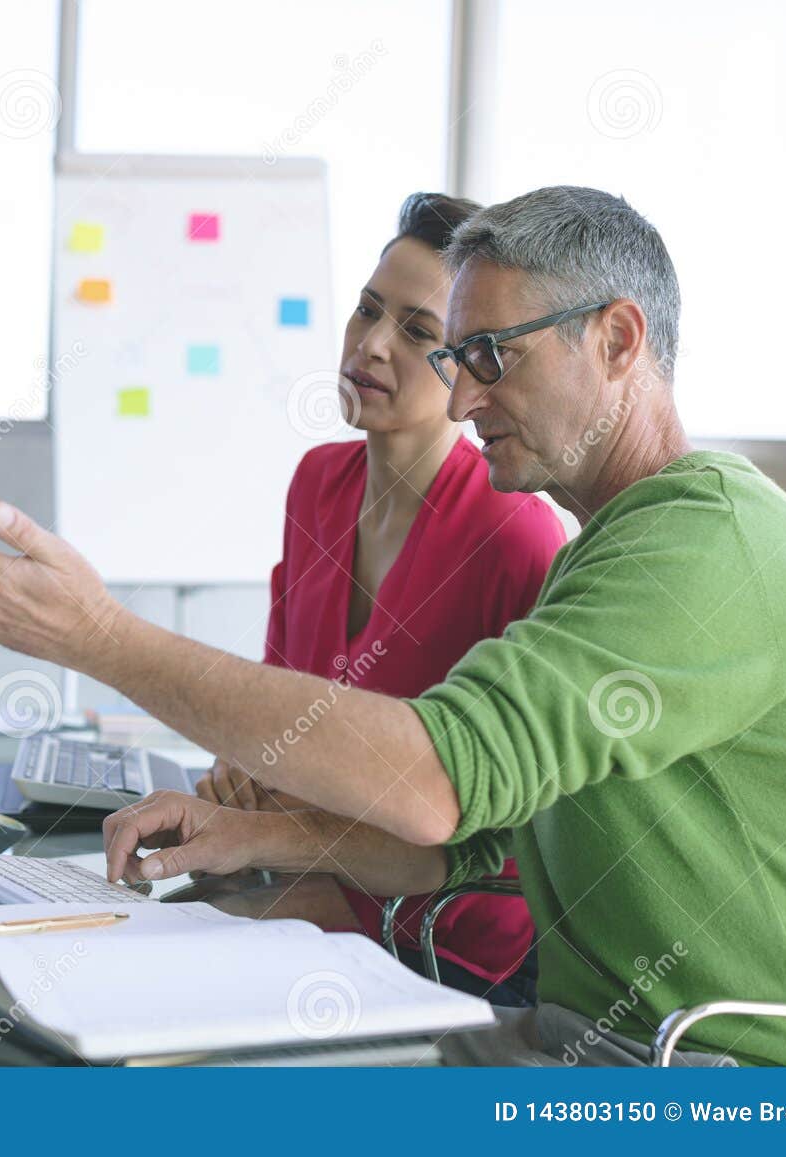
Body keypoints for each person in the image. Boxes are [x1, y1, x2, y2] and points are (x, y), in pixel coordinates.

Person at [0, 185, 786, 1067]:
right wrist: (263, 833)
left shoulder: (706, 542)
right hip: (584, 1042)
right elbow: (479, 837)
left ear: (618, 338)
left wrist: (95, 635)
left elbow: (431, 780)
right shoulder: (615, 547)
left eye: (487, 355)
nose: (459, 402)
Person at [191, 192, 564, 1005]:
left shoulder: (516, 537)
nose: (371, 344)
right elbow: (277, 722)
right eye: (366, 310)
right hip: (310, 872)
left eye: (418, 332)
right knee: (154, 928)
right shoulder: (317, 484)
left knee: (185, 955)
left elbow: (514, 825)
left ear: (469, 365)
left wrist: (273, 833)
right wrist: (241, 776)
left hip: (447, 931)